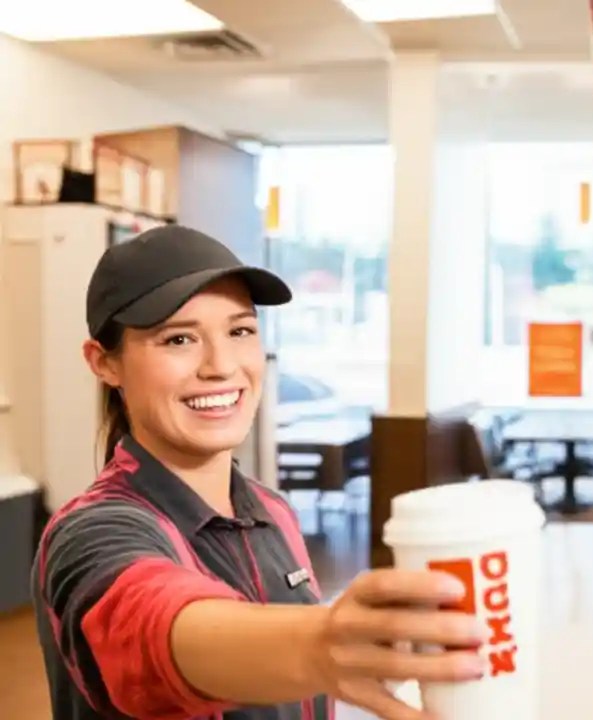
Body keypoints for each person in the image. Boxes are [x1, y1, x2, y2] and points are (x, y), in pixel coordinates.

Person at [33, 225, 480, 720]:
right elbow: (153, 624)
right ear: (104, 363)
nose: (221, 366)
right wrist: (319, 646)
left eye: (240, 330)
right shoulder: (91, 530)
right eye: (178, 339)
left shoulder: (272, 511)